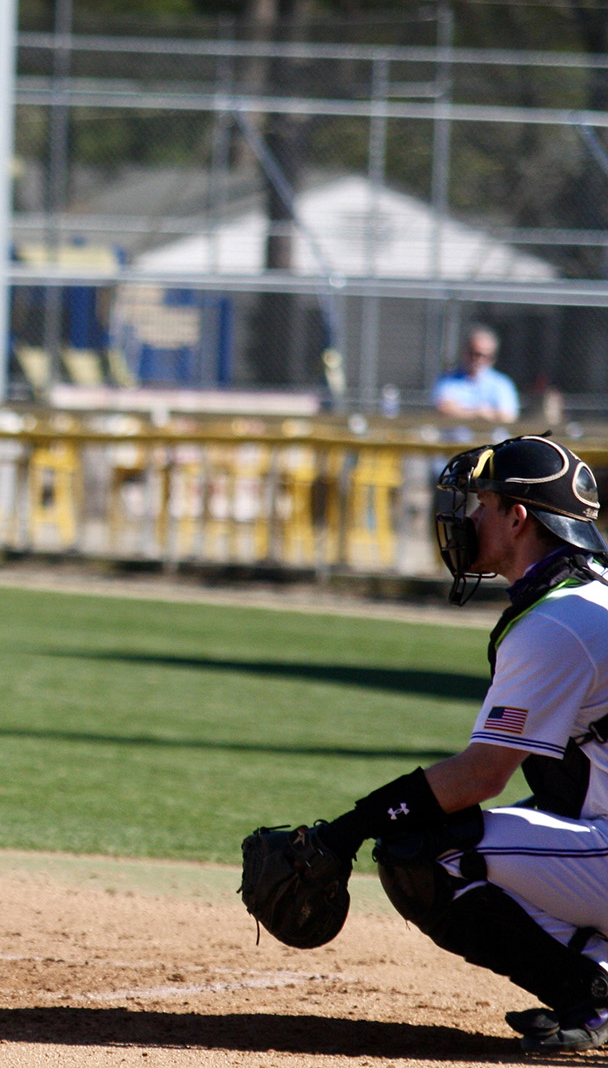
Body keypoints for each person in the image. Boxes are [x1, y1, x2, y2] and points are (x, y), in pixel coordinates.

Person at [253, 434, 608, 1053]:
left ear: (518, 517)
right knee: (462, 831)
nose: (468, 518)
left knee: (423, 854)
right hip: (597, 828)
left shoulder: (557, 622)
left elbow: (481, 776)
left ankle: (593, 995)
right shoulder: (588, 596)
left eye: (482, 504)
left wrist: (346, 831)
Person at [432, 324, 520, 423]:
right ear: (465, 351)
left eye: (485, 356)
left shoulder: (502, 383)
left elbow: (507, 417)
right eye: (474, 353)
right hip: (454, 438)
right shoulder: (447, 380)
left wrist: (461, 412)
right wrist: (480, 413)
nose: (478, 360)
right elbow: (444, 409)